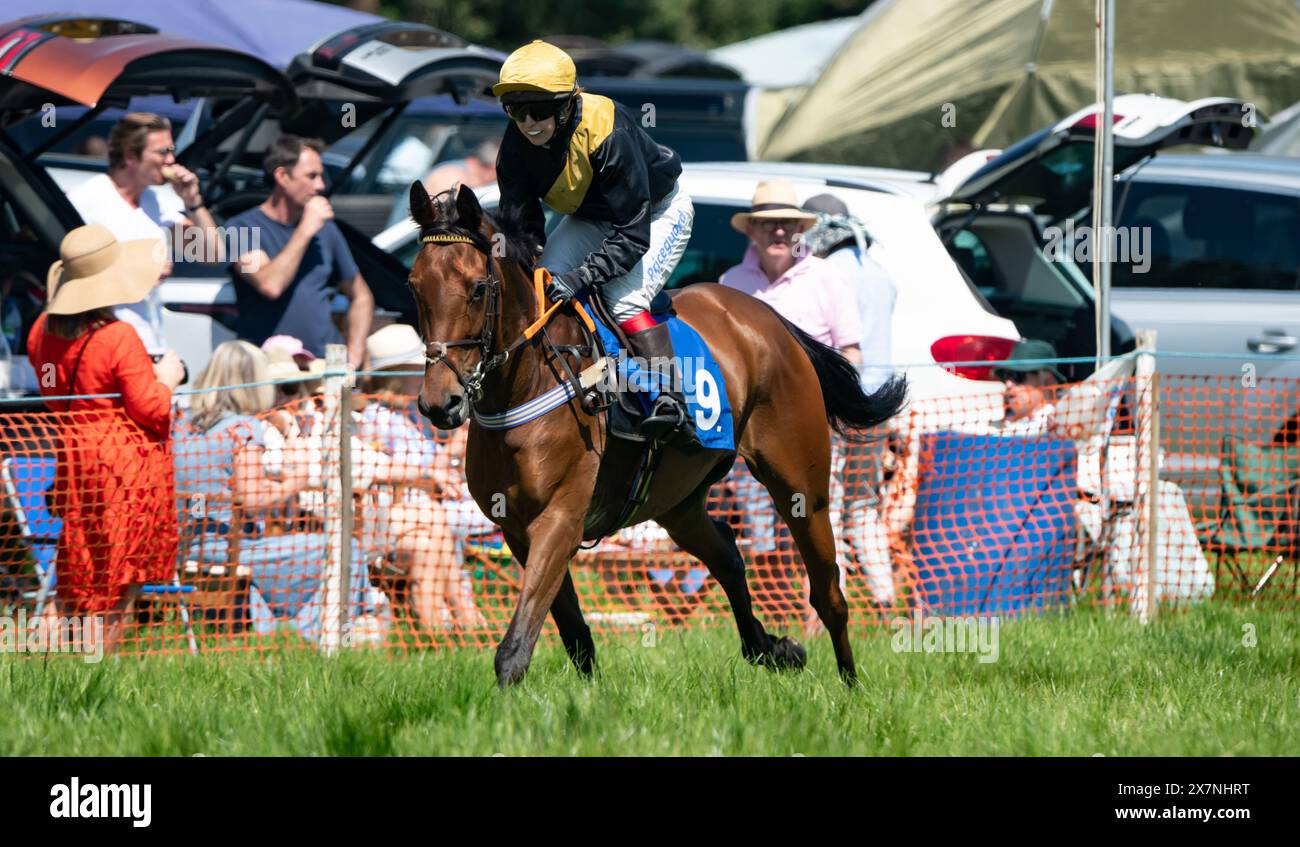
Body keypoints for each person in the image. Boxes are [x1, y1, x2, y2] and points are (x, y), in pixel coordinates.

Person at [492, 40, 698, 448]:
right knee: (542, 282)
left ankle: (671, 399)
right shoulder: (515, 144)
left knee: (623, 300)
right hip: (592, 217)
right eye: (516, 109)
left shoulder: (608, 129)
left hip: (656, 213)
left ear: (568, 104)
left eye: (541, 109)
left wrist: (583, 276)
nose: (529, 122)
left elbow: (634, 235)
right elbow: (523, 228)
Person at [27, 225, 185, 650]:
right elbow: (151, 407)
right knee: (121, 574)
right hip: (123, 466)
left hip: (74, 456)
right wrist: (167, 378)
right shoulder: (119, 337)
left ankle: (39, 662)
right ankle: (99, 670)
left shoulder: (39, 334)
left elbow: (50, 390)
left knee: (75, 567)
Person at [173, 340, 380, 643]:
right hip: (232, 551)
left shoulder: (183, 424)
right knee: (345, 546)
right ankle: (332, 633)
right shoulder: (242, 429)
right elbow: (252, 498)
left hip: (187, 548)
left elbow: (223, 486)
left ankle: (292, 633)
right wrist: (295, 482)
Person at [357, 324, 487, 631]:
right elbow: (378, 471)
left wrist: (447, 458)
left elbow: (441, 458)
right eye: (416, 371)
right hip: (390, 512)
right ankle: (448, 623)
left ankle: (457, 619)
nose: (424, 377)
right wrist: (431, 473)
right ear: (397, 375)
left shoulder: (418, 414)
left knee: (437, 532)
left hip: (425, 507)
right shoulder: (378, 417)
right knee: (437, 532)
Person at [66, 112, 224, 359]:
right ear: (130, 156)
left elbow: (212, 254)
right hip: (103, 346)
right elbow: (69, 273)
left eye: (172, 150)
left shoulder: (155, 202)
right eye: (162, 152)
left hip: (150, 343)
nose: (171, 160)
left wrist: (193, 202)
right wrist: (140, 269)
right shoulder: (87, 200)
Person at [228, 135, 374, 368]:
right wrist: (305, 230)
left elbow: (361, 296)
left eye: (321, 176)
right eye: (311, 176)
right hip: (268, 370)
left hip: (321, 367)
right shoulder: (241, 229)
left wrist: (354, 356)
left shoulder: (326, 230)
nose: (321, 186)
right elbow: (270, 284)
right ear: (282, 177)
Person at [719, 180, 863, 363]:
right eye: (768, 223)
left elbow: (852, 353)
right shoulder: (730, 281)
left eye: (787, 223)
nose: (779, 232)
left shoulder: (828, 276)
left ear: (800, 229)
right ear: (751, 230)